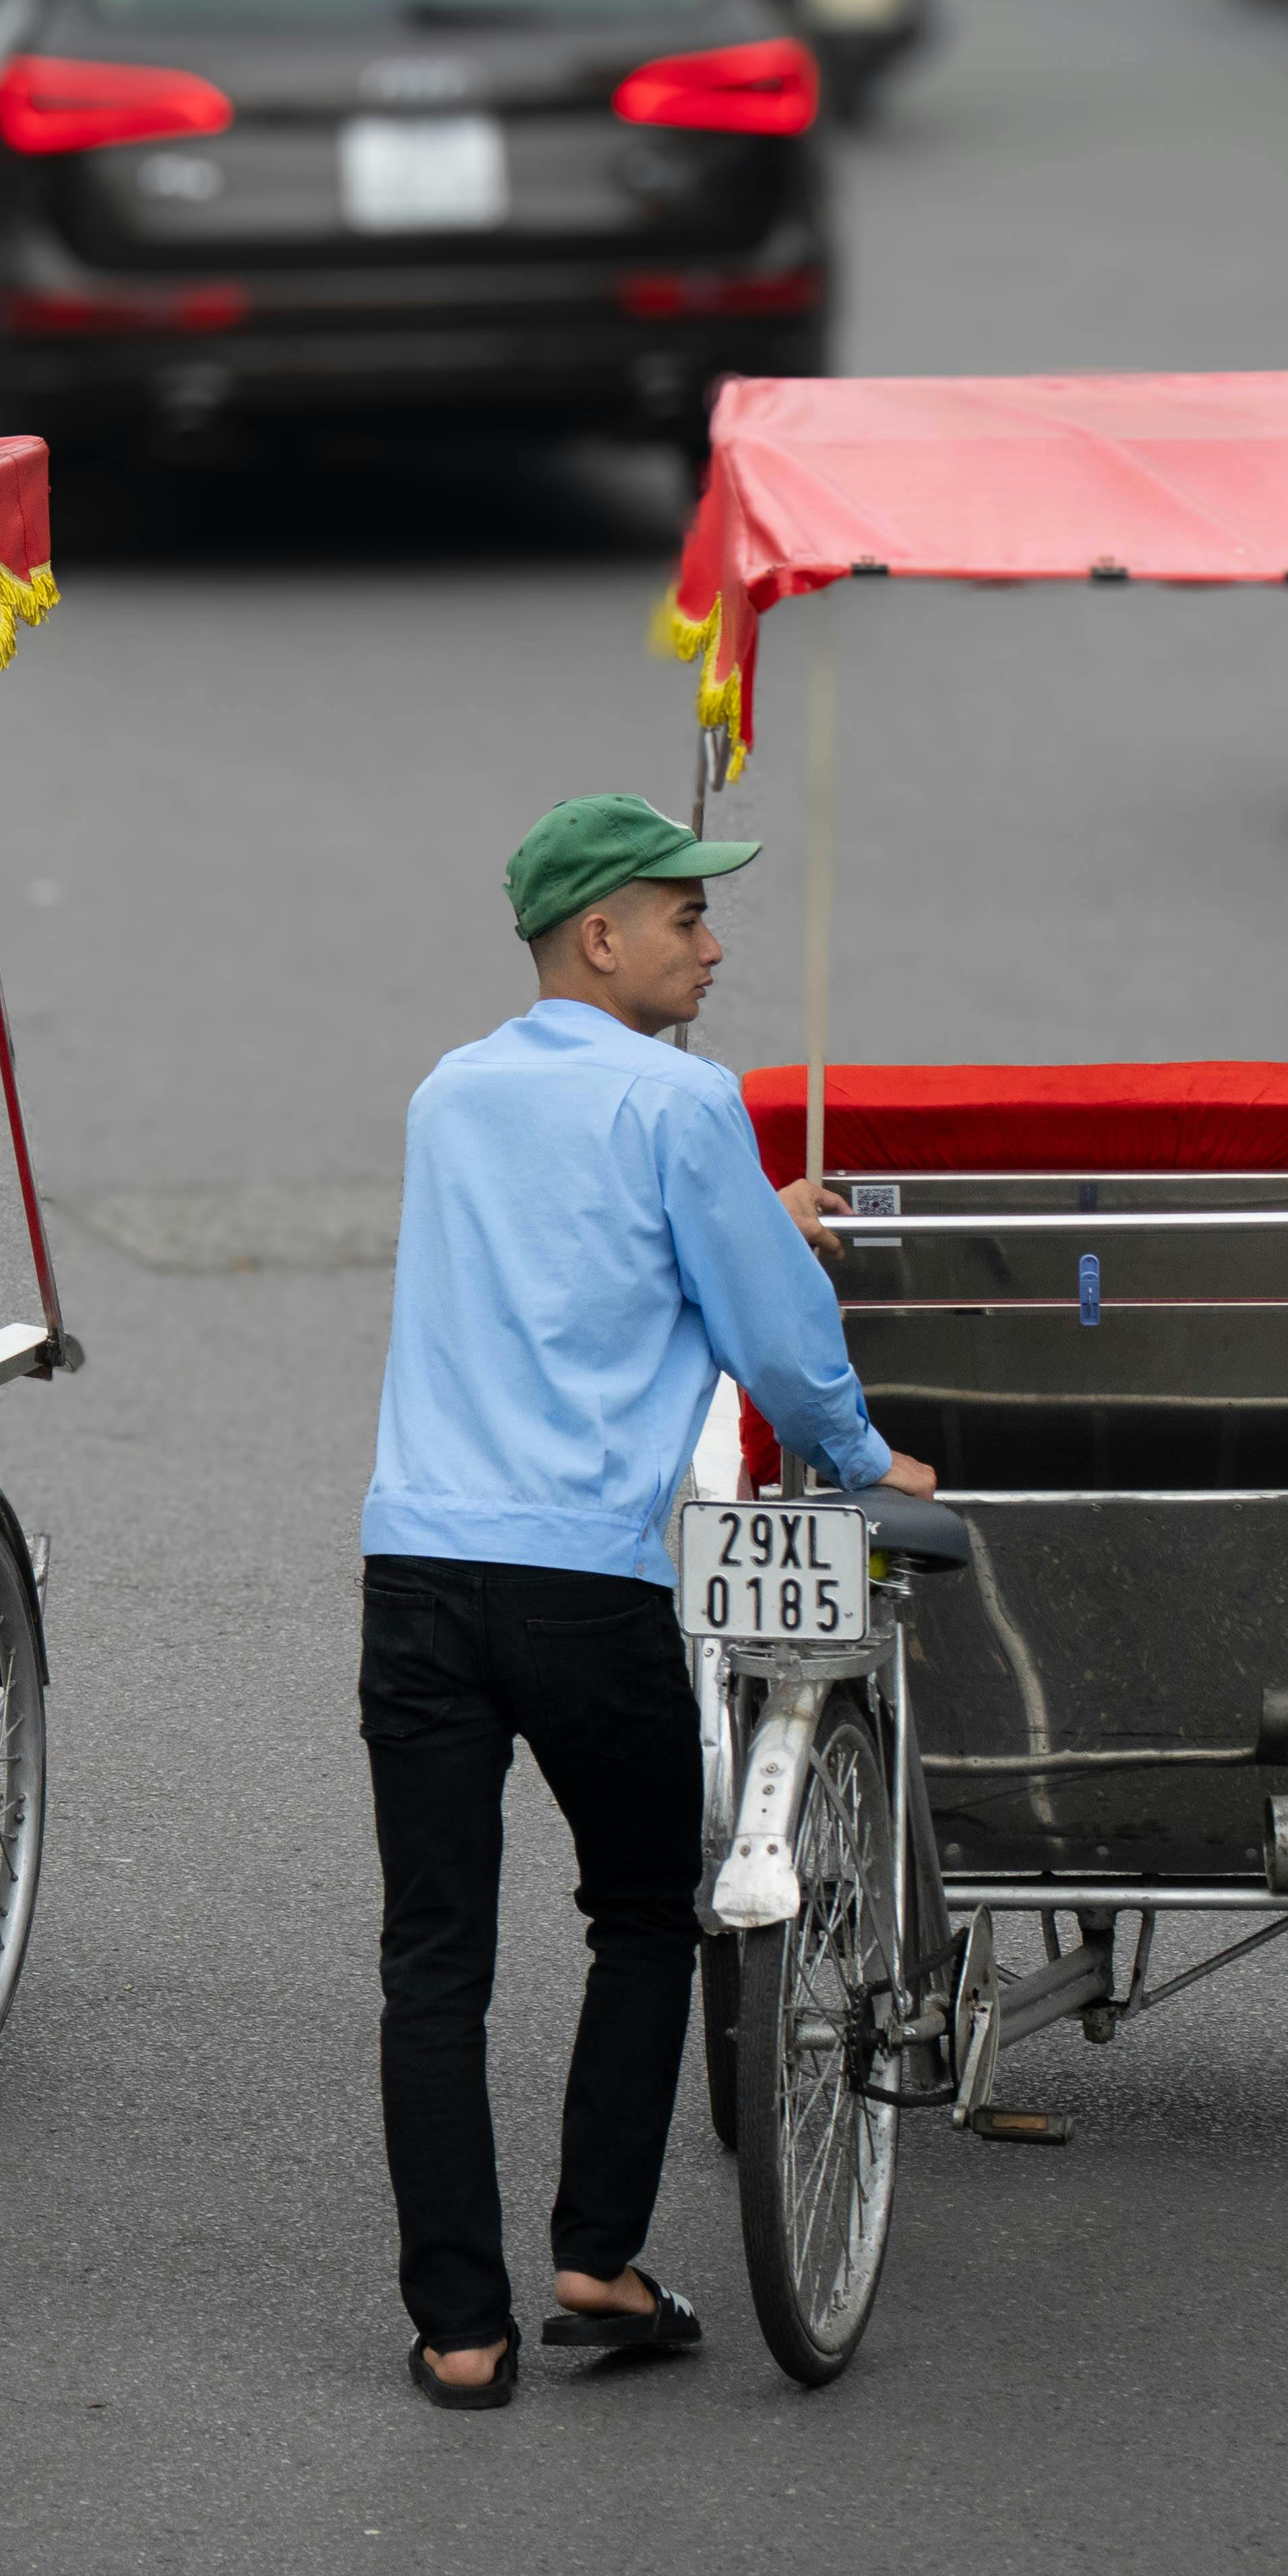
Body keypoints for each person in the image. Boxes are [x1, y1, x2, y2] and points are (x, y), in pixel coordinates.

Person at [362, 796, 937, 2411]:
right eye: (683, 915)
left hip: (412, 1566)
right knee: (638, 1908)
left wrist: (757, 1217)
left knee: (433, 1955)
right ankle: (598, 2251)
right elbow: (769, 1339)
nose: (713, 940)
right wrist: (865, 1454)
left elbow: (574, 1249)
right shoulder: (686, 1105)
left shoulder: (447, 1093)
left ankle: (458, 2330)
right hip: (575, 1577)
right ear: (598, 936)